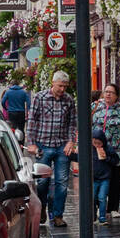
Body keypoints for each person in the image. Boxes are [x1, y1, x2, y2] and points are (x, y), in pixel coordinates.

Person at [25, 70, 78, 228]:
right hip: (43, 145)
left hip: (62, 146)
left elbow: (72, 123)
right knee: (42, 182)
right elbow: (32, 121)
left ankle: (58, 216)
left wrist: (71, 142)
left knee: (62, 183)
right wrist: (31, 143)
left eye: (65, 86)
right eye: (60, 86)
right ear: (53, 83)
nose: (62, 89)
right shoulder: (40, 97)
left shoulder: (69, 100)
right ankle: (41, 210)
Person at [92, 82, 120, 218]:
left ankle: (112, 208)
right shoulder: (94, 107)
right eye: (106, 91)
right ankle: (99, 206)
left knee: (114, 179)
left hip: (115, 151)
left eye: (111, 92)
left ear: (116, 96)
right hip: (97, 150)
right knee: (98, 178)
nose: (108, 94)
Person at [90, 127, 119, 226]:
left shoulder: (108, 149)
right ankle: (93, 216)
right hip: (93, 178)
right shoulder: (90, 150)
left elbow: (116, 160)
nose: (97, 145)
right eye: (95, 143)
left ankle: (102, 217)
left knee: (102, 197)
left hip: (105, 178)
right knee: (93, 197)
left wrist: (107, 158)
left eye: (99, 143)